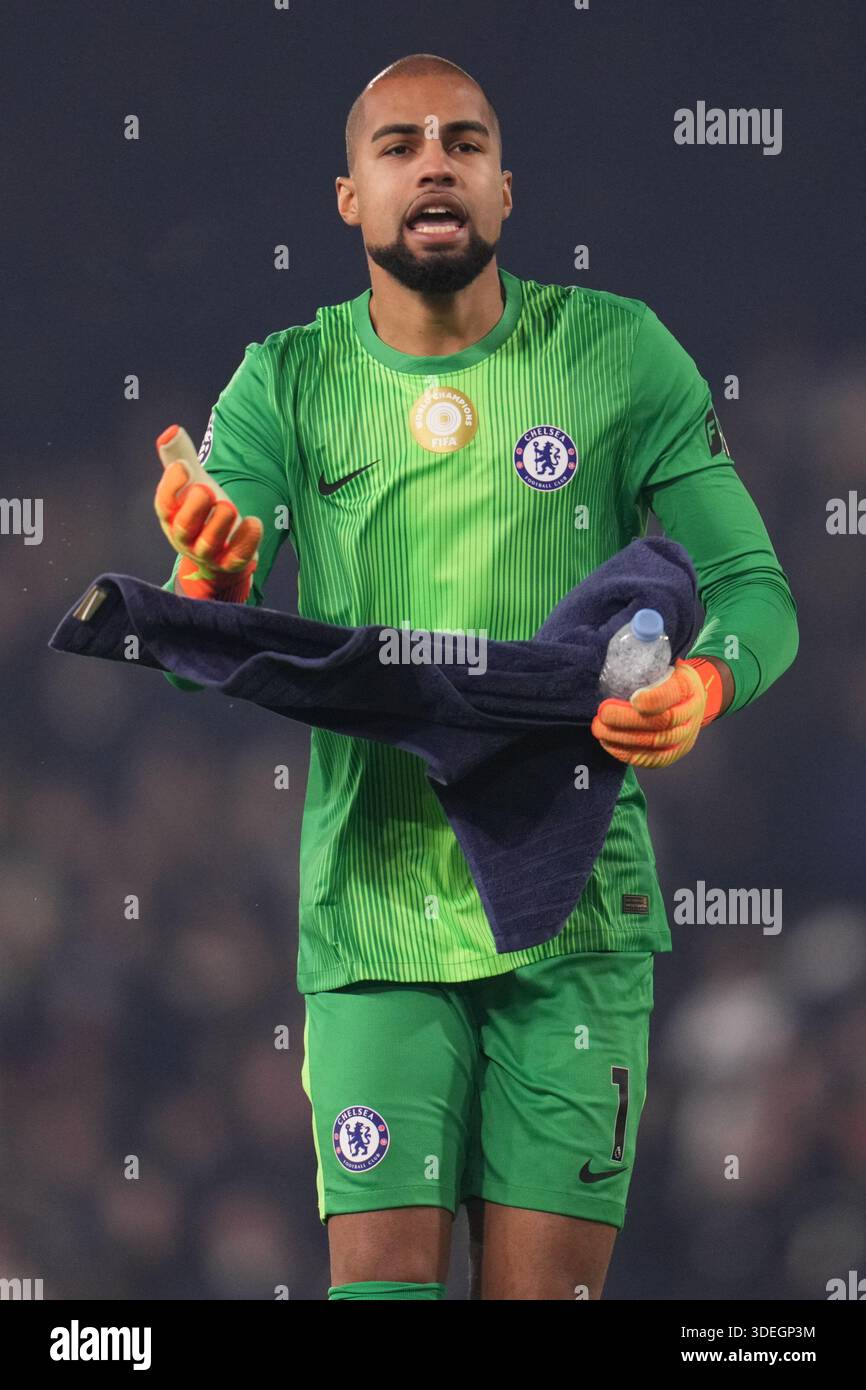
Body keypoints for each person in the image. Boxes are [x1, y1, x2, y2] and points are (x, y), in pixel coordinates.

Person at [154, 53, 798, 1300]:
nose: (433, 160)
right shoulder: (286, 380)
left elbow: (753, 592)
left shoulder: (616, 354)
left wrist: (703, 688)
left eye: (463, 141)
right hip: (377, 912)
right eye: (397, 146)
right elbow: (198, 654)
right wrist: (212, 581)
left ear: (506, 191)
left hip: (575, 914)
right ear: (350, 198)